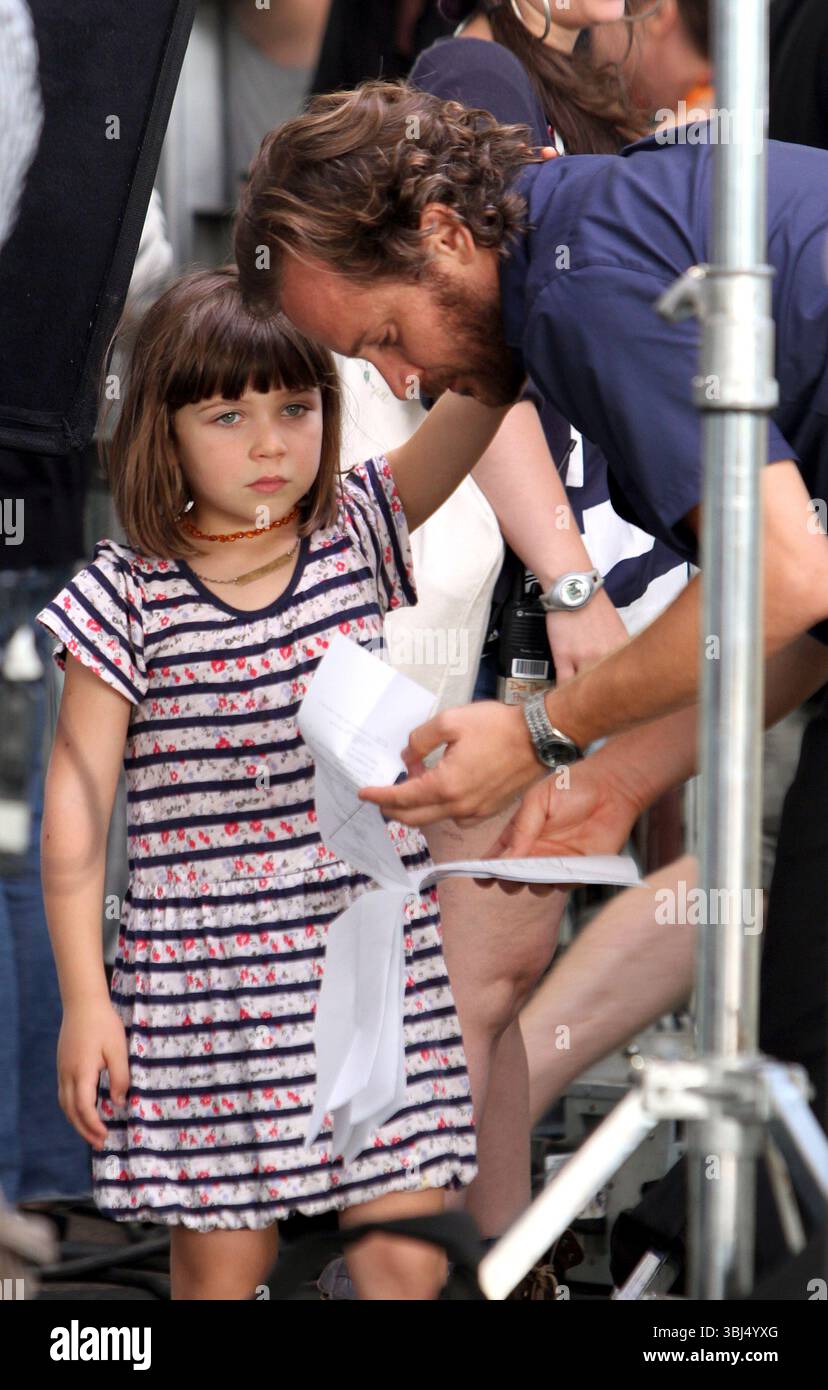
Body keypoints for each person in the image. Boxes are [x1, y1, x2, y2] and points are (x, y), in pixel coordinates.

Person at [34, 264, 513, 1301]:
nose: (269, 443)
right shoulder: (125, 596)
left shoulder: (357, 526)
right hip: (198, 977)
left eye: (296, 407)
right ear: (161, 430)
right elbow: (76, 808)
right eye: (227, 414)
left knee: (405, 1250)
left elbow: (486, 383)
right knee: (221, 1269)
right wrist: (85, 997)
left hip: (367, 950)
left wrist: (462, 252)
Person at [397, 0, 690, 1251]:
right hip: (576, 581)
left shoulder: (608, 107)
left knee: (697, 889)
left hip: (648, 563)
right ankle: (465, 1255)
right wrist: (569, 585)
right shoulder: (470, 72)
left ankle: (484, 1255)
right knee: (488, 974)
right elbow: (484, 364)